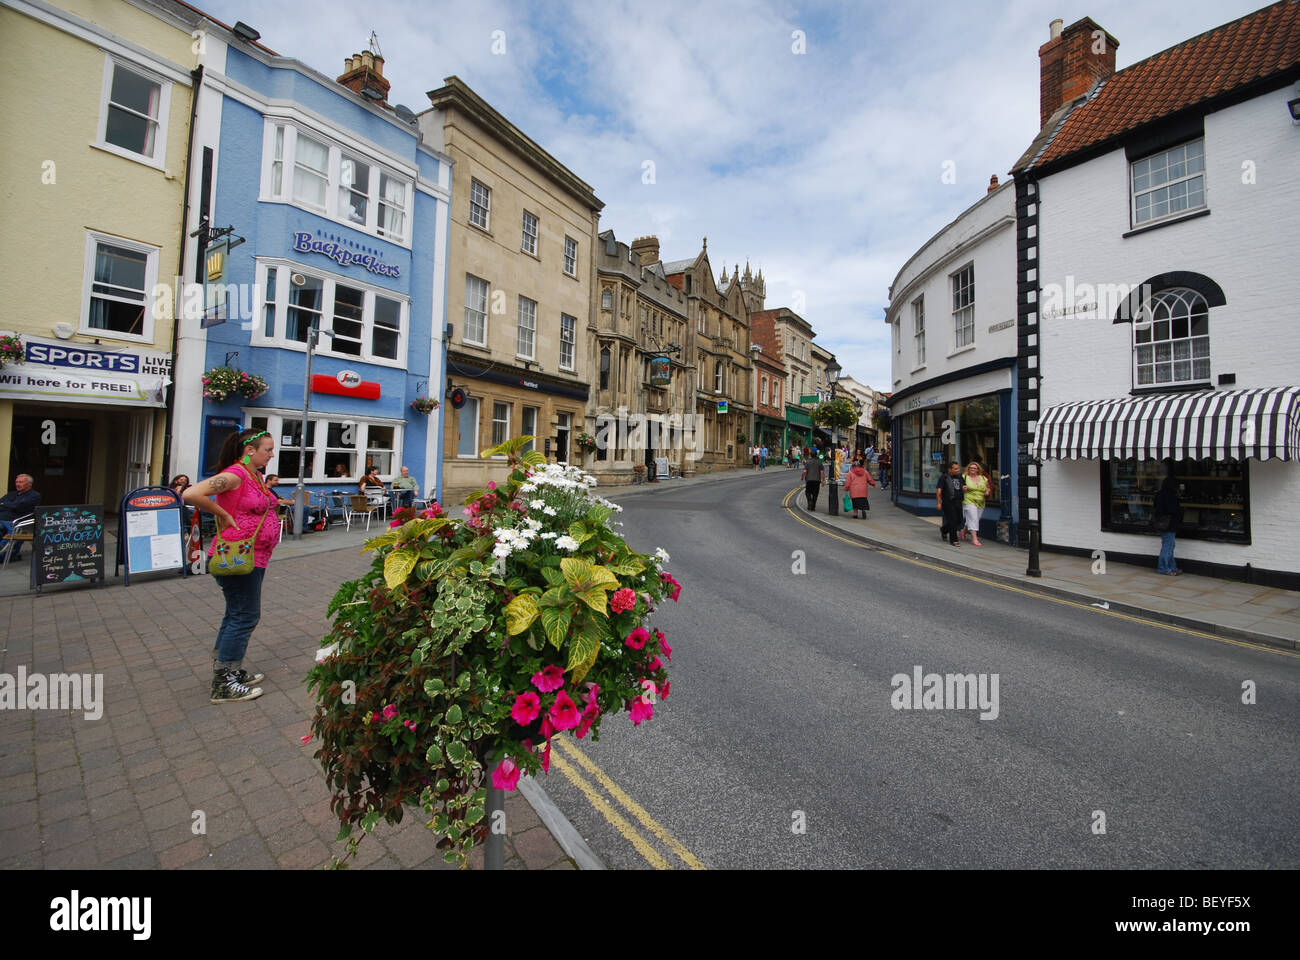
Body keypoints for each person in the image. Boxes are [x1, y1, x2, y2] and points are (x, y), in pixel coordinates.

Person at [183, 428, 281, 703]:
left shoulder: (254, 476)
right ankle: (224, 682)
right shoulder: (236, 474)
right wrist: (223, 513)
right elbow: (192, 494)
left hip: (252, 555)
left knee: (236, 614)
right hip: (238, 556)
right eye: (267, 450)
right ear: (250, 451)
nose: (272, 454)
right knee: (244, 616)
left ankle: (228, 670)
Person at [0, 473, 41, 561]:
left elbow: (17, 506)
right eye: (17, 482)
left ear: (29, 484)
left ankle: (4, 554)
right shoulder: (12, 494)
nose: (17, 484)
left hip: (16, 522)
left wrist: (6, 504)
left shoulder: (34, 496)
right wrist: (9, 505)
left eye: (21, 482)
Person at [1153, 474, 1183, 576]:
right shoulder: (1171, 495)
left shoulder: (1159, 494)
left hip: (1161, 523)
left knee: (1170, 545)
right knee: (1168, 546)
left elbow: (1156, 506)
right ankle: (1163, 568)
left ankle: (1172, 567)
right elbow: (1172, 510)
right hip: (1170, 523)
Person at [935, 460, 966, 546]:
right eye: (955, 469)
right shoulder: (944, 477)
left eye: (958, 468)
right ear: (949, 469)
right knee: (953, 520)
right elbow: (939, 491)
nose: (957, 470)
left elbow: (963, 486)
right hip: (948, 502)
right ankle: (954, 540)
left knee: (959, 520)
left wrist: (964, 488)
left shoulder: (960, 477)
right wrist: (939, 503)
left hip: (959, 501)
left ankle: (944, 530)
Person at [961, 462, 988, 546]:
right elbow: (959, 487)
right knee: (973, 518)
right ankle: (974, 539)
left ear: (978, 470)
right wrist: (963, 488)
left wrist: (987, 491)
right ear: (968, 469)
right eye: (971, 468)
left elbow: (988, 488)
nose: (972, 469)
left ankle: (963, 531)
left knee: (976, 518)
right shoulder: (964, 477)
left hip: (981, 501)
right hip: (968, 500)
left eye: (974, 468)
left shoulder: (983, 478)